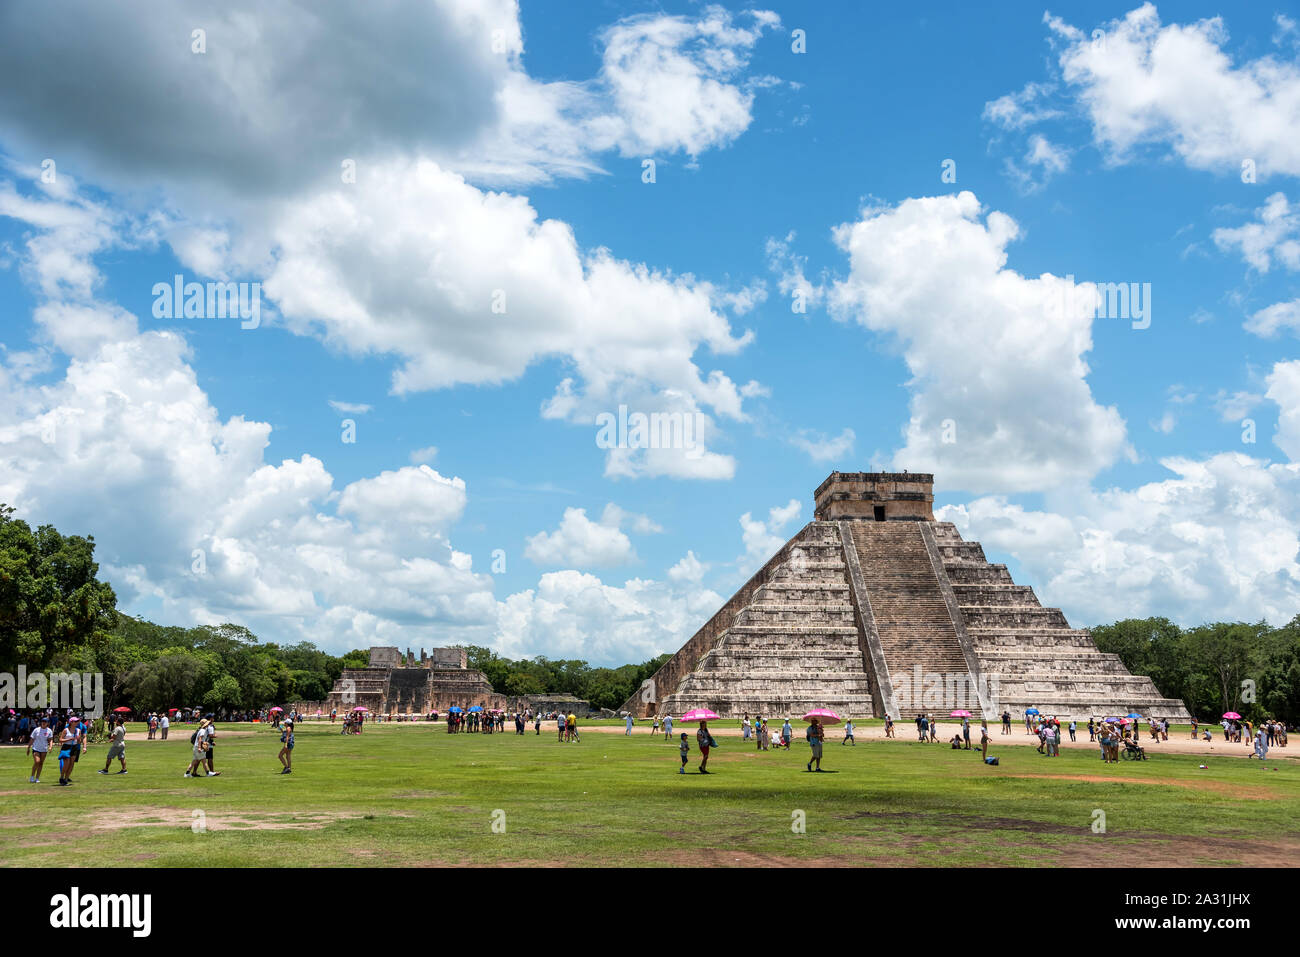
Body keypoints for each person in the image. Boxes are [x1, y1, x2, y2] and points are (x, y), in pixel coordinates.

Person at [57, 716, 81, 786]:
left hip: (74, 747)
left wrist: (79, 739)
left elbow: (79, 742)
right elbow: (60, 740)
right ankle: (61, 777)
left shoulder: (78, 730)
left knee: (71, 764)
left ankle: (66, 779)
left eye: (77, 721)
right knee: (66, 764)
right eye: (75, 721)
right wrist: (69, 739)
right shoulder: (66, 730)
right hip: (66, 747)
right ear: (71, 722)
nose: (77, 722)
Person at [28, 715, 53, 783]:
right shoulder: (36, 730)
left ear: (48, 723)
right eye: (42, 721)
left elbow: (50, 740)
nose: (43, 723)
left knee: (41, 763)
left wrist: (50, 746)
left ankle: (37, 778)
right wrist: (28, 748)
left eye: (45, 722)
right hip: (36, 748)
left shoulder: (49, 731)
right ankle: (32, 777)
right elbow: (32, 739)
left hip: (44, 749)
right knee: (37, 761)